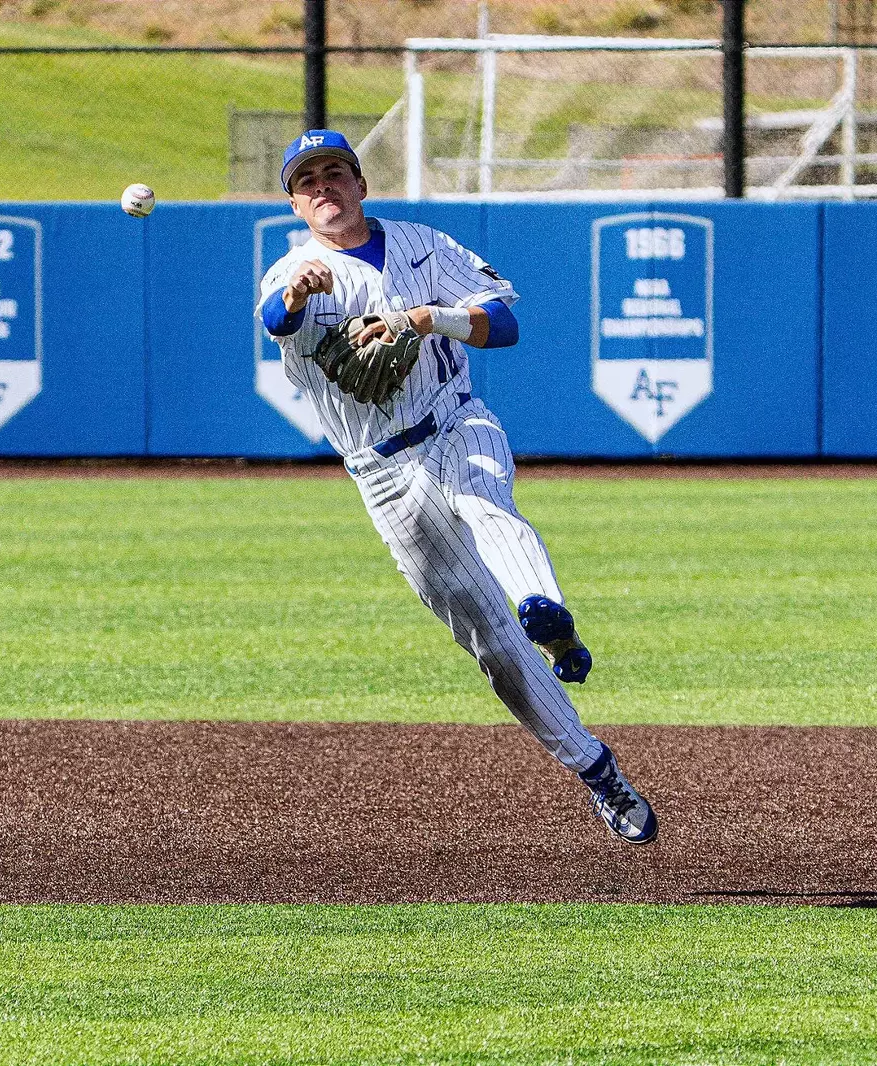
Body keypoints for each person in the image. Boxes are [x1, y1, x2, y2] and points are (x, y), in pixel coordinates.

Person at [256, 131, 657, 844]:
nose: (323, 187)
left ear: (360, 184)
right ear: (295, 204)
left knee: (486, 501)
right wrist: (294, 295)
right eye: (307, 180)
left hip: (454, 421)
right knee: (493, 645)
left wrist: (427, 317)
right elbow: (273, 321)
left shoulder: (423, 245)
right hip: (382, 473)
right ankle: (596, 769)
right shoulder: (292, 274)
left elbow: (503, 323)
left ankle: (544, 607)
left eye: (335, 172)